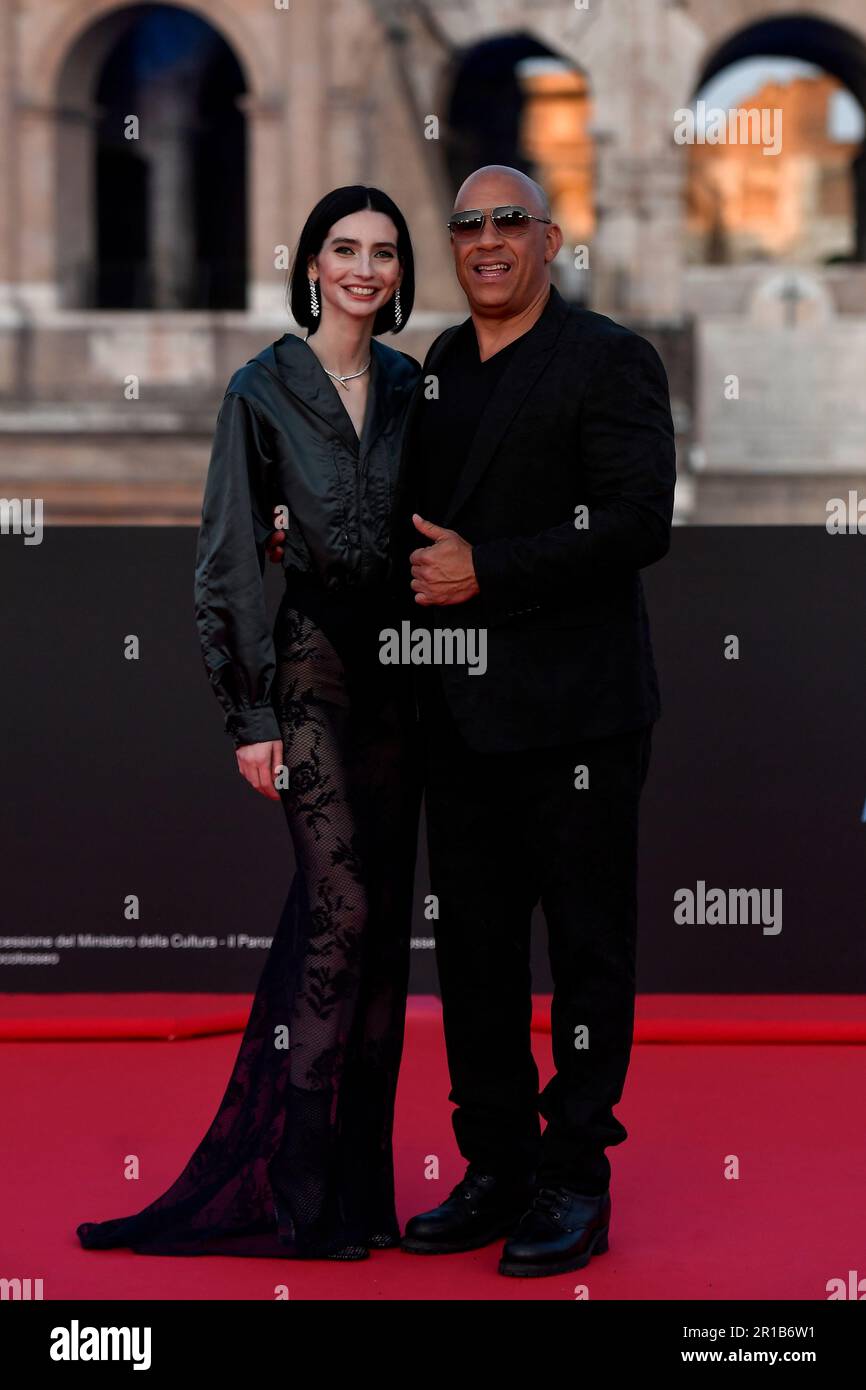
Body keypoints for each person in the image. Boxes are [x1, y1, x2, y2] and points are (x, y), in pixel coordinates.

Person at [75, 186, 422, 1261]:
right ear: (311, 265)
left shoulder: (420, 387)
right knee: (342, 908)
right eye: (343, 249)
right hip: (311, 671)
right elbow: (229, 556)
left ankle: (361, 1194)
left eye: (382, 252)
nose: (363, 268)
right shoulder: (261, 389)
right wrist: (249, 713)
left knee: (381, 943)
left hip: (408, 683)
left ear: (399, 274)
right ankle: (301, 1196)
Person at [392, 165, 676, 1277]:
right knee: (471, 956)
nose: (487, 240)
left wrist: (486, 573)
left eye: (509, 221)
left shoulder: (607, 357)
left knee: (587, 952)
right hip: (458, 714)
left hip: (579, 721)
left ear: (549, 239)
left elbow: (636, 522)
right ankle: (496, 1163)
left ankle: (573, 1175)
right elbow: (412, 535)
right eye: (466, 224)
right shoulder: (438, 368)